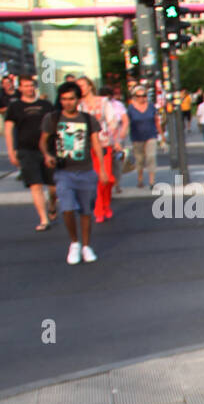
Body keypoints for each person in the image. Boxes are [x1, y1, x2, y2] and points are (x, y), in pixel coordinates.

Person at [40, 80, 106, 264]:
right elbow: (43, 141)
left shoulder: (87, 119)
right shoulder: (52, 119)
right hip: (63, 171)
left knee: (86, 211)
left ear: (78, 99)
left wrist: (101, 170)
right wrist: (46, 155)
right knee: (67, 208)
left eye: (71, 99)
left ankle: (86, 246)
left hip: (85, 171)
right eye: (63, 99)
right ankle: (74, 243)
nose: (67, 102)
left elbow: (96, 144)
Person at [5, 75, 58, 230]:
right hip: (26, 150)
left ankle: (52, 204)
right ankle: (44, 219)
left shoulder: (45, 105)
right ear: (20, 88)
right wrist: (11, 151)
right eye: (25, 86)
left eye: (30, 85)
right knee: (35, 185)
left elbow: (56, 124)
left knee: (53, 187)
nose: (28, 89)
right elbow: (9, 130)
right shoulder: (15, 107)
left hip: (48, 149)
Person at [77, 78, 124, 221]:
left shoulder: (103, 102)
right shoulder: (79, 105)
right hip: (88, 145)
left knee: (107, 178)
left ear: (90, 86)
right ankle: (99, 210)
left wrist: (116, 140)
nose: (81, 89)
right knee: (96, 178)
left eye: (83, 85)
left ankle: (106, 204)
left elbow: (112, 122)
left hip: (104, 143)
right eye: (78, 87)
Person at [125, 85, 162, 188]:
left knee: (151, 157)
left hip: (151, 134)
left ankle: (151, 181)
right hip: (137, 136)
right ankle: (140, 178)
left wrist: (161, 135)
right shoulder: (131, 108)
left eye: (144, 95)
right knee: (139, 159)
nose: (142, 98)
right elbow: (126, 122)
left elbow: (156, 120)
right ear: (135, 96)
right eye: (139, 96)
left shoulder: (151, 106)